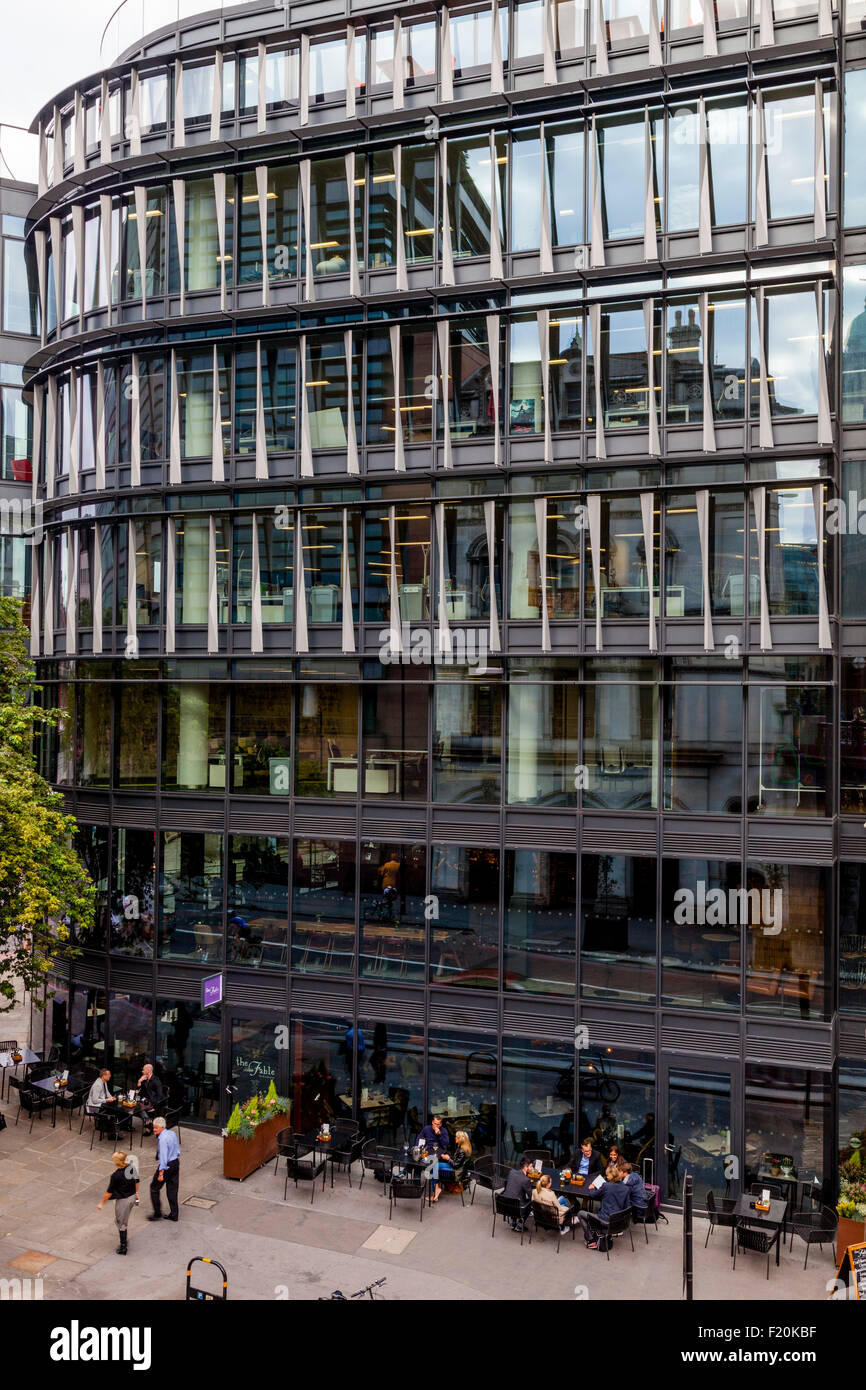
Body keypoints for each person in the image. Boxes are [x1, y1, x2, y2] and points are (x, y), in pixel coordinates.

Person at [577, 1164, 631, 1250]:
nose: (607, 1177)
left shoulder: (606, 1186)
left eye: (607, 1175)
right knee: (600, 1210)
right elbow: (627, 1207)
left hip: (605, 1220)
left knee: (580, 1213)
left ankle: (591, 1241)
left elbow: (593, 1195)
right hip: (618, 1222)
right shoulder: (626, 1188)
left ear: (611, 1176)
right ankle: (604, 1233)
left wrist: (591, 1187)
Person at [97, 1150, 139, 1255]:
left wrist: (101, 1203)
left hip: (123, 1201)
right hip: (132, 1197)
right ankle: (124, 1239)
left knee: (121, 1223)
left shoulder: (115, 1176)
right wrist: (136, 1193)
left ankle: (123, 1247)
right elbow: (137, 1181)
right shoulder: (131, 1168)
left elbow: (108, 1193)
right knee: (123, 1220)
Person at [148, 1116, 181, 1222]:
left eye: (155, 1128)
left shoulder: (162, 1139)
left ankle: (157, 1213)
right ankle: (174, 1214)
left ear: (161, 1127)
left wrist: (161, 1173)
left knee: (154, 1188)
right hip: (175, 1162)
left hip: (166, 1165)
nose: (154, 1130)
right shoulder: (172, 1134)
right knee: (172, 1189)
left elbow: (163, 1157)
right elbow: (177, 1149)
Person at [417, 1114, 452, 1202]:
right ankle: (436, 1188)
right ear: (432, 1122)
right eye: (435, 1124)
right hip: (428, 1153)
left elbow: (446, 1144)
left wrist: (439, 1134)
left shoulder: (443, 1131)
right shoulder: (426, 1129)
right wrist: (419, 1147)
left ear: (441, 1124)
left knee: (433, 1164)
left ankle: (435, 1189)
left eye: (438, 1124)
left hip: (439, 1154)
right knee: (424, 1161)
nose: (436, 1126)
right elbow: (419, 1138)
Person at [503, 1157, 534, 1230]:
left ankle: (513, 1221)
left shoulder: (512, 1172)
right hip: (517, 1208)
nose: (532, 1168)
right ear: (526, 1167)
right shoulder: (526, 1180)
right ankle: (520, 1225)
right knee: (529, 1203)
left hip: (505, 1205)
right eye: (531, 1166)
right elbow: (531, 1196)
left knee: (514, 1196)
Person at [137, 1063, 165, 1133]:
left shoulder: (156, 1080)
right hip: (146, 1101)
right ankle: (149, 1122)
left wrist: (153, 1106)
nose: (142, 1071)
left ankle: (148, 1127)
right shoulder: (144, 1079)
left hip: (154, 1102)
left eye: (143, 1070)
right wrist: (139, 1081)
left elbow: (160, 1095)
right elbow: (139, 1091)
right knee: (137, 1106)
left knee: (140, 1108)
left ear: (148, 1071)